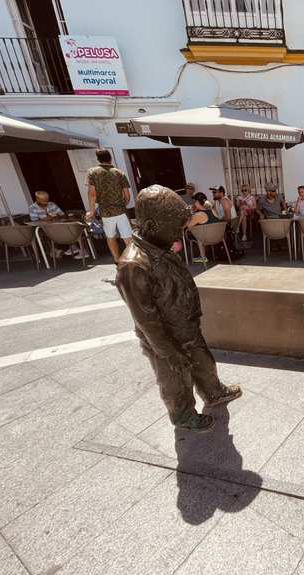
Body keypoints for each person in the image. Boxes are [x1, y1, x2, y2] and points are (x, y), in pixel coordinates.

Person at [115, 185, 242, 432]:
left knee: (203, 362)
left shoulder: (160, 247)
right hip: (164, 338)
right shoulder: (133, 266)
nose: (179, 234)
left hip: (186, 326)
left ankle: (213, 391)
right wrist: (168, 351)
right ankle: (183, 414)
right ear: (151, 226)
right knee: (174, 378)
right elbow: (145, 319)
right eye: (174, 228)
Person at [86, 149, 132, 263]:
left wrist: (92, 211)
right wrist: (123, 205)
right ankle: (132, 259)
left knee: (110, 236)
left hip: (105, 212)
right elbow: (127, 195)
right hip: (120, 210)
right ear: (110, 158)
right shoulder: (119, 173)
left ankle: (117, 259)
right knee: (127, 237)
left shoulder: (92, 173)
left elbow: (92, 194)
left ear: (98, 159)